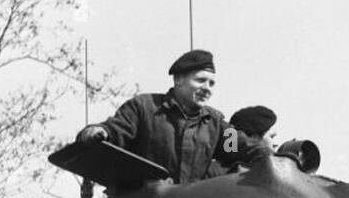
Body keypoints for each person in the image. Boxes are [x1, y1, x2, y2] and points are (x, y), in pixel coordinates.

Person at [76, 50, 267, 183]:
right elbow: (116, 130)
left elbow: (239, 147)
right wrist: (99, 131)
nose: (207, 89)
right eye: (200, 80)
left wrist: (277, 158)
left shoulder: (216, 123)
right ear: (178, 80)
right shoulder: (145, 108)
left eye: (211, 83)